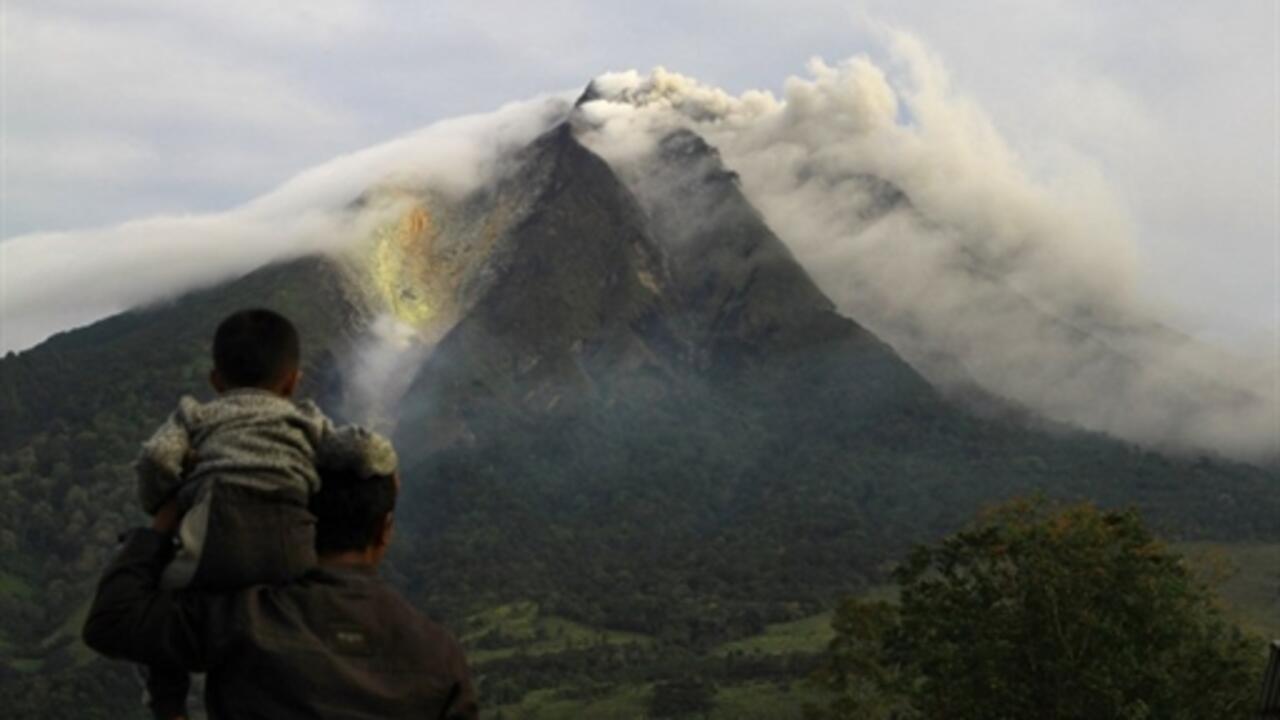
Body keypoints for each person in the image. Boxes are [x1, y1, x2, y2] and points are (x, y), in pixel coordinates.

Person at [82, 436, 479, 719]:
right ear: (385, 529)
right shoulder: (440, 657)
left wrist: (166, 519)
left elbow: (111, 622)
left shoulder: (243, 619)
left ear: (303, 517)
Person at [131, 308, 394, 717]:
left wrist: (163, 501)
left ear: (215, 380)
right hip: (290, 548)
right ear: (293, 380)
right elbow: (366, 448)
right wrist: (384, 467)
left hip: (213, 542)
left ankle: (169, 705)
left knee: (157, 605)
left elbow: (156, 457)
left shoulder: (195, 415)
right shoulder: (304, 419)